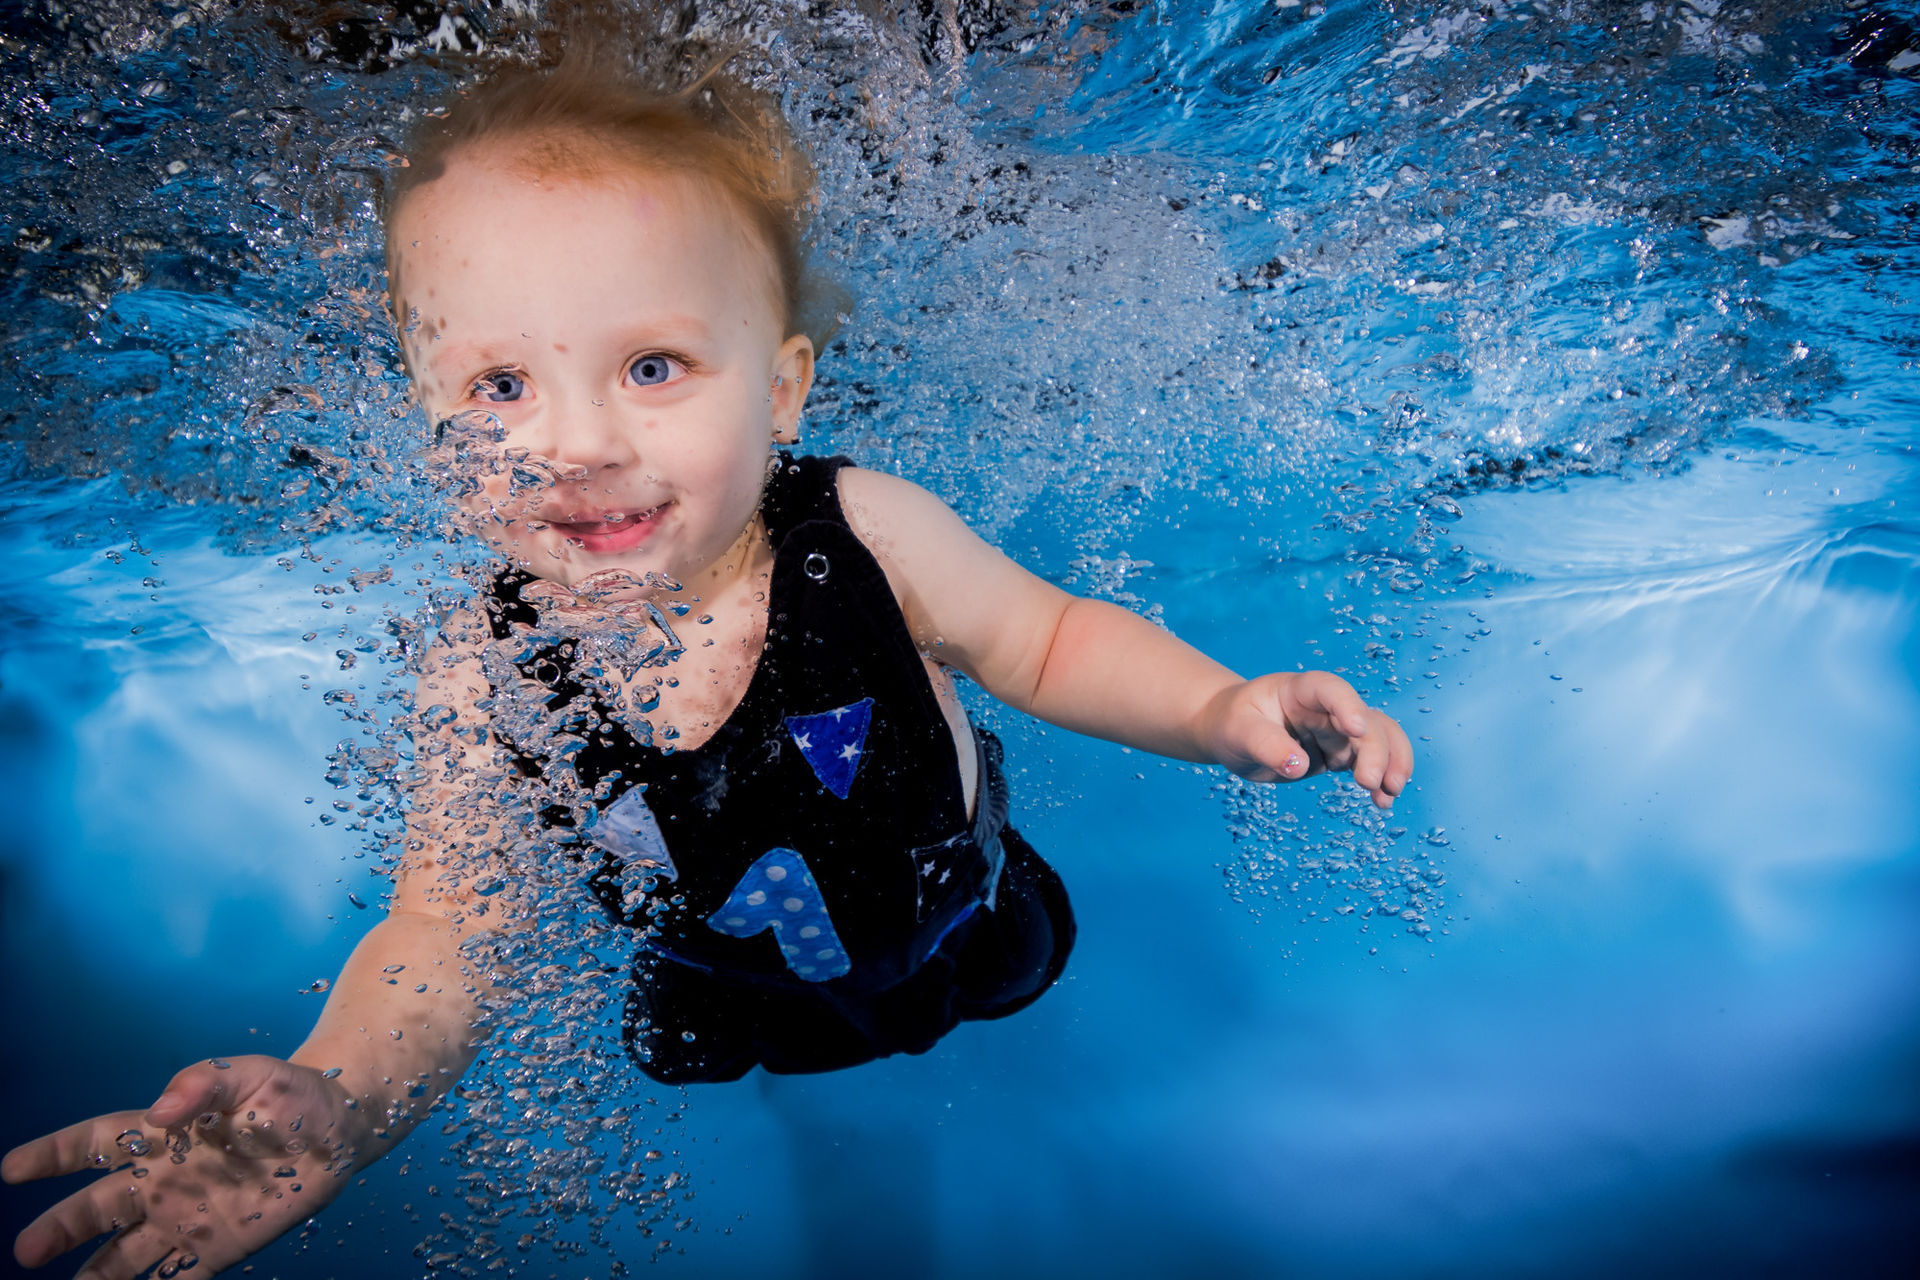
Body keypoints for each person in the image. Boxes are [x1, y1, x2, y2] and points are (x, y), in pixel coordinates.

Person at [4, 49, 1413, 1279]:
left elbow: (1045, 640)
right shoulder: (481, 670)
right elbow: (440, 936)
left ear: (783, 386)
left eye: (655, 367)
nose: (573, 442)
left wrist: (1221, 706)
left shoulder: (861, 531)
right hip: (715, 981)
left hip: (962, 909)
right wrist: (335, 1094)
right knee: (694, 1044)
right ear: (421, 411)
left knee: (1009, 967)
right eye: (499, 386)